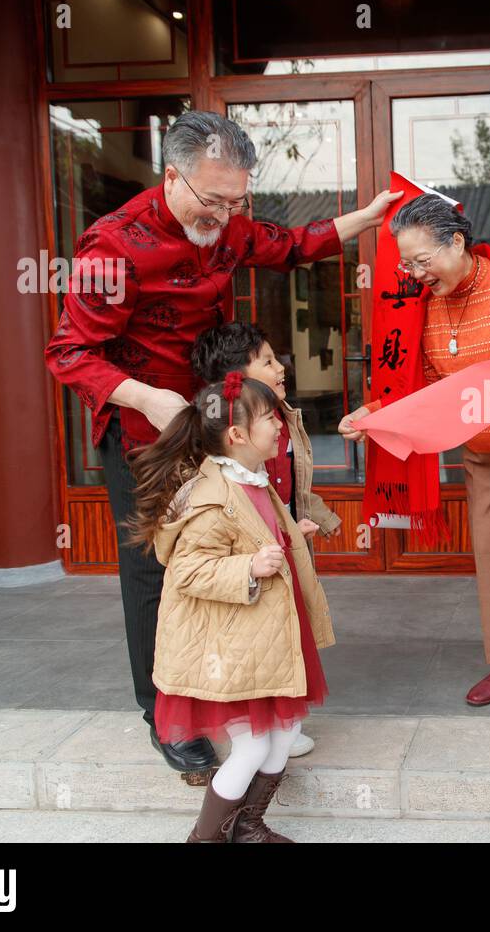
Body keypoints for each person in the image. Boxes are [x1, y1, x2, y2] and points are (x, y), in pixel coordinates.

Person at [44, 110, 398, 775]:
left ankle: (233, 696)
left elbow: (293, 244)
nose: (226, 215)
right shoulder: (113, 249)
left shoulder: (227, 224)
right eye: (213, 200)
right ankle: (165, 717)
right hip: (146, 431)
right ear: (172, 177)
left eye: (237, 201)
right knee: (159, 571)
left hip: (214, 415)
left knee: (237, 556)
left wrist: (370, 217)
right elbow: (68, 353)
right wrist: (148, 397)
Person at [339, 193, 490, 728]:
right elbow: (423, 385)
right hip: (482, 450)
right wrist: (375, 414)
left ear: (457, 242)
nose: (413, 273)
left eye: (421, 260)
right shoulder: (420, 305)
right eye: (406, 263)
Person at [128, 373, 333, 842]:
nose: (279, 425)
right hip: (235, 645)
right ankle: (206, 837)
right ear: (237, 435)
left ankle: (248, 825)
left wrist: (287, 538)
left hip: (269, 637)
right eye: (269, 418)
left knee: (284, 734)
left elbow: (255, 537)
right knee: (254, 743)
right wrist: (248, 568)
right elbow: (188, 571)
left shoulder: (252, 481)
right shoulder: (212, 496)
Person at [191, 320, 342, 759]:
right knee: (256, 642)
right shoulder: (223, 434)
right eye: (269, 361)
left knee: (293, 632)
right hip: (249, 563)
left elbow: (294, 488)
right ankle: (254, 728)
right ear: (235, 377)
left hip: (284, 550)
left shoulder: (283, 418)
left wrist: (314, 521)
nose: (282, 368)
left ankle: (286, 722)